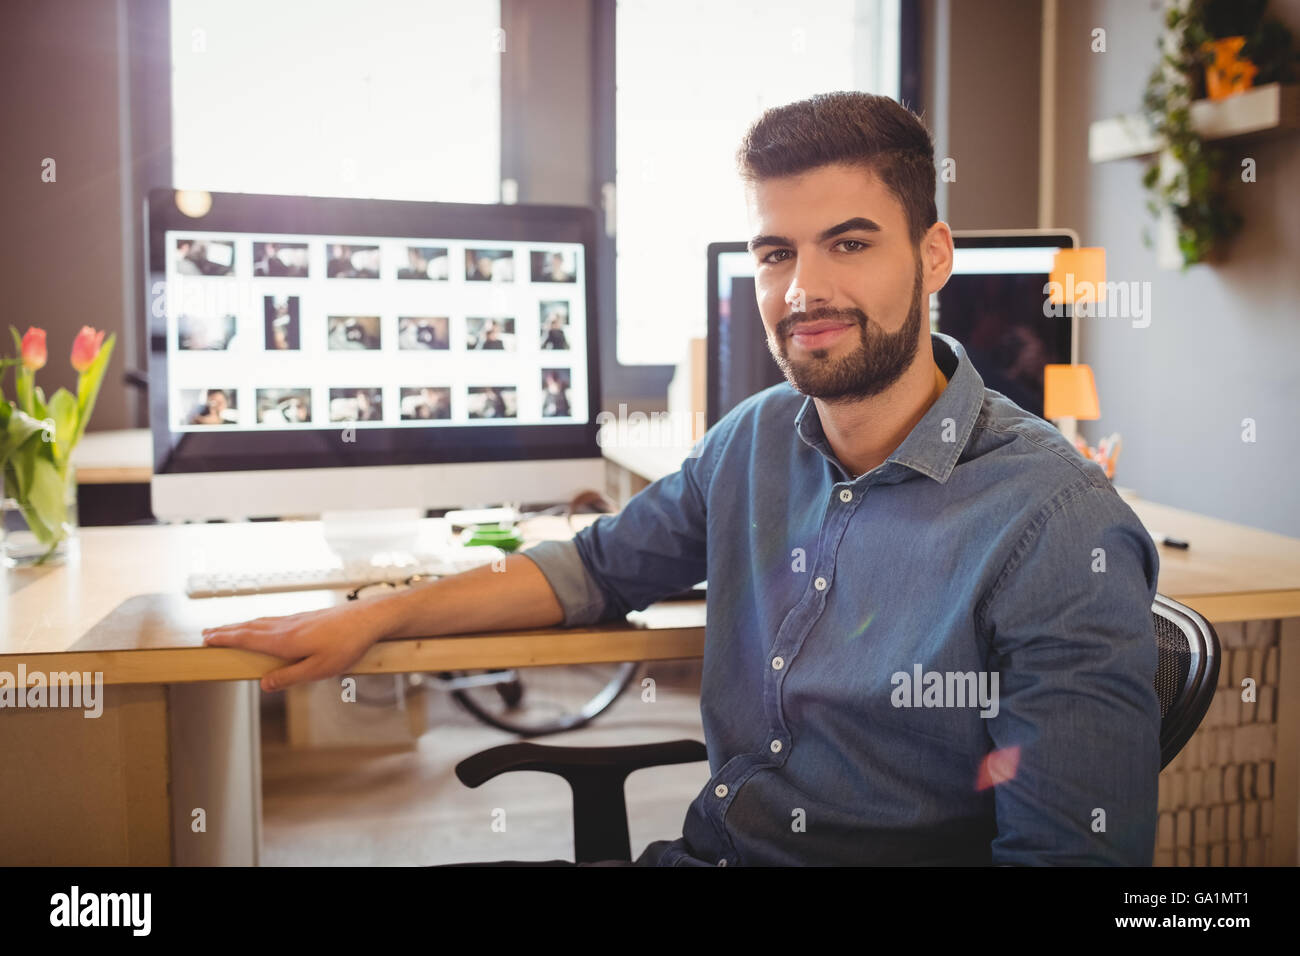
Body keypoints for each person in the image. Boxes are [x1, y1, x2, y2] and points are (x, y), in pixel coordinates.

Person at [201, 92, 1160, 867]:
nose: (803, 290)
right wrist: (376, 616)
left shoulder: (1052, 523)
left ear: (934, 254)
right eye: (776, 252)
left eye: (850, 243)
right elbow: (589, 571)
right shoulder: (752, 442)